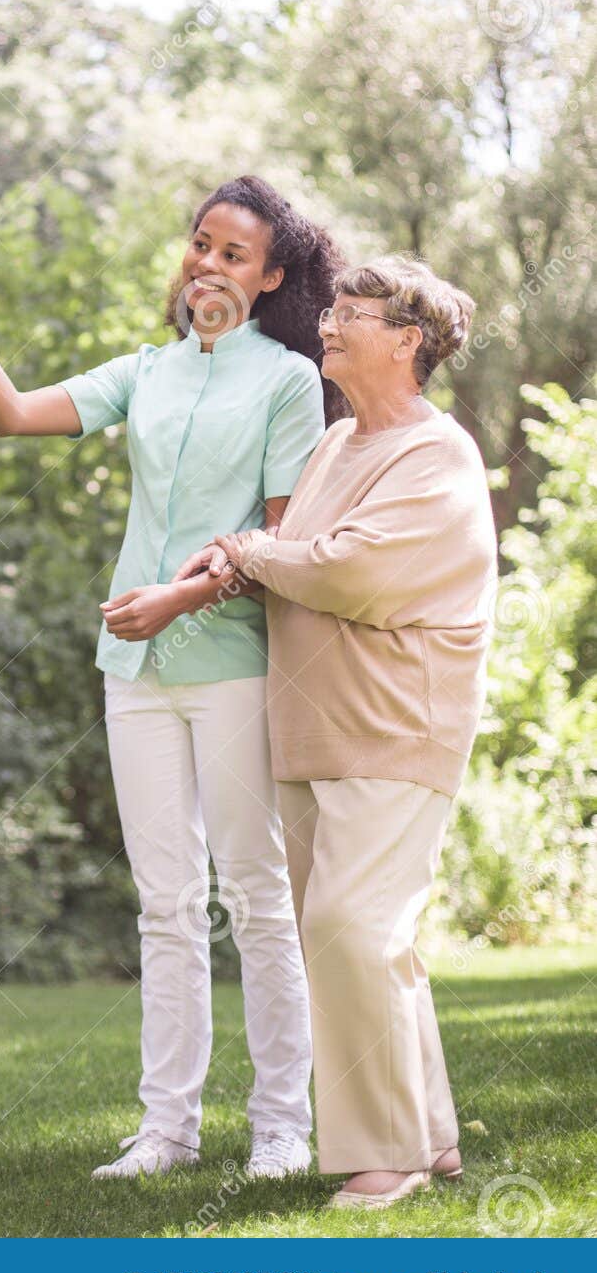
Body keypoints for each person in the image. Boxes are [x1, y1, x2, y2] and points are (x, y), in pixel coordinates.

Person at [0, 176, 345, 1182]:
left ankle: (282, 1126)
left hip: (234, 659)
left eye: (232, 253)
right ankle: (167, 1129)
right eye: (201, 243)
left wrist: (180, 597)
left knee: (253, 897)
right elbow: (13, 414)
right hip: (133, 665)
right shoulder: (146, 370)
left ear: (270, 276)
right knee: (162, 901)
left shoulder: (285, 380)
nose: (207, 263)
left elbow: (278, 537)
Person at [175, 254, 498, 1209]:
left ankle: (382, 1156)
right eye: (334, 307)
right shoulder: (333, 445)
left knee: (349, 928)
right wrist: (246, 560)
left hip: (396, 730)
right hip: (313, 733)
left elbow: (350, 570)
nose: (328, 320)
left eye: (353, 312)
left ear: (408, 342)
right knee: (367, 942)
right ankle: (430, 1136)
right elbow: (295, 557)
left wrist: (251, 550)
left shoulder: (436, 455)